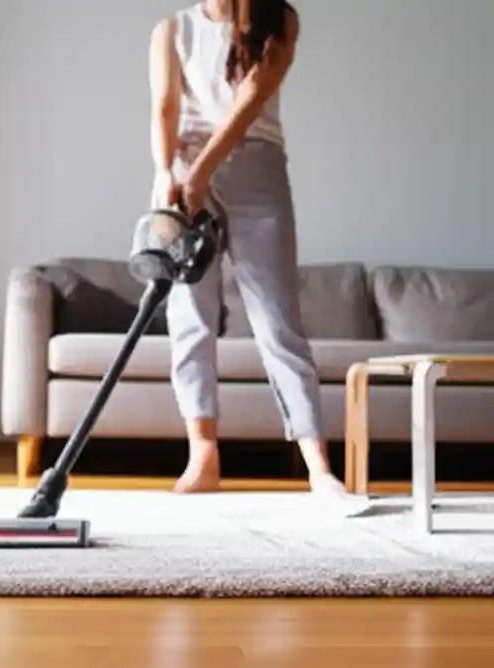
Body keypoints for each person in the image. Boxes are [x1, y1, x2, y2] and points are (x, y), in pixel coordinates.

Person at [148, 0, 369, 513]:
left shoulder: (278, 19)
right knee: (190, 318)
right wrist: (166, 174)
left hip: (255, 169)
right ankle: (203, 456)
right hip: (184, 170)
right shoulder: (173, 29)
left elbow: (251, 100)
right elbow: (165, 106)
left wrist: (201, 173)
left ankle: (319, 467)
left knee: (277, 321)